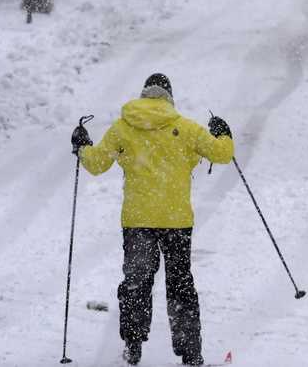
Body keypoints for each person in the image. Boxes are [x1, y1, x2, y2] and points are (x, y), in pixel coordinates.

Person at [72, 73, 235, 366]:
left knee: (137, 282)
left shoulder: (123, 128)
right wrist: (223, 132)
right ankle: (191, 353)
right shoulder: (186, 128)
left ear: (144, 94)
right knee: (180, 283)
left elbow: (96, 164)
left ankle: (133, 346)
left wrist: (82, 145)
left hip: (138, 221)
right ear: (169, 97)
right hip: (176, 221)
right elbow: (222, 154)